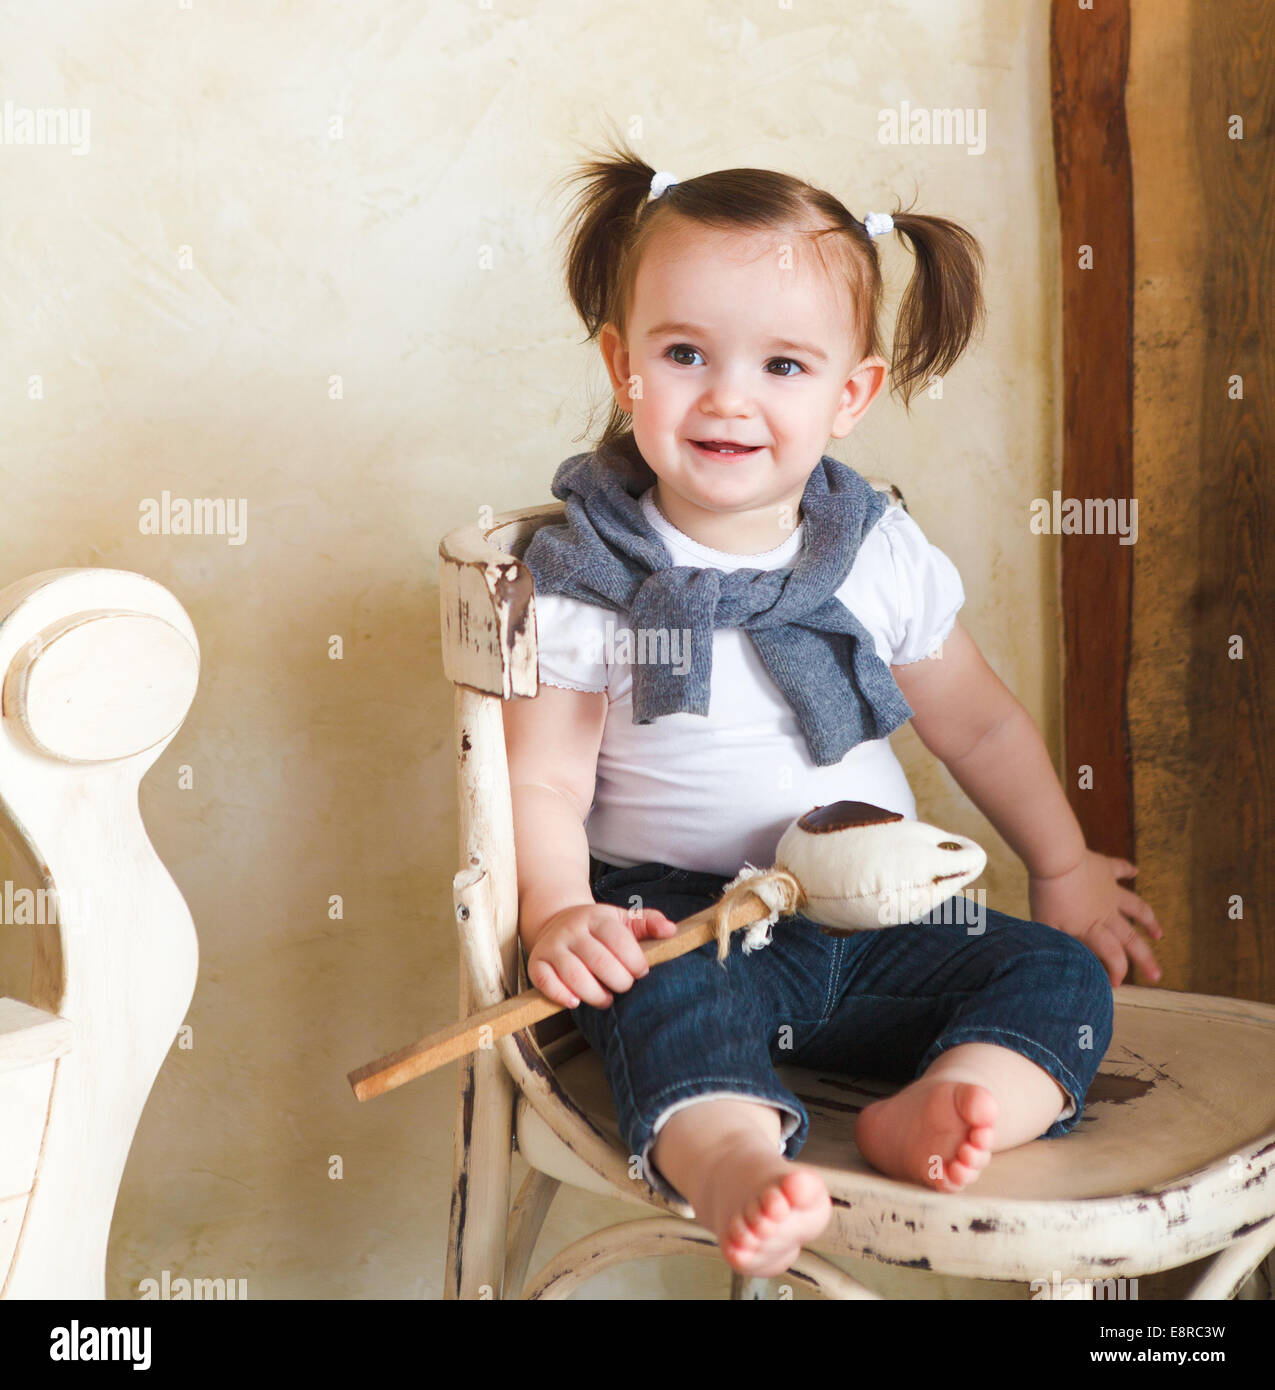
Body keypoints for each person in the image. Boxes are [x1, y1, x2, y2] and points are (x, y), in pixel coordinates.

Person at [503, 132, 1162, 1279]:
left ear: (852, 393)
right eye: (685, 353)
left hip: (882, 909)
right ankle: (734, 1161)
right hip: (690, 922)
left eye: (784, 367)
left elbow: (980, 722)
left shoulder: (872, 552)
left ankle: (955, 1101)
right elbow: (547, 777)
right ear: (624, 367)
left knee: (1057, 974)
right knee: (672, 1012)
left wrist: (1061, 863)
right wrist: (565, 910)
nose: (728, 397)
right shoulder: (588, 576)